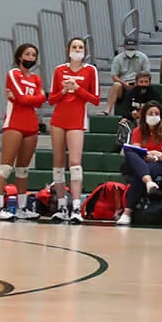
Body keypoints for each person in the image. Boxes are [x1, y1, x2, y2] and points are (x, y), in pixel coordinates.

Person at [46, 37, 100, 221]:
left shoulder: (90, 70)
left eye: (81, 47)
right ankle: (61, 206)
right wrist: (62, 91)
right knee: (58, 164)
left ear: (85, 50)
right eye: (74, 46)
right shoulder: (59, 70)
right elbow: (51, 99)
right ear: (68, 49)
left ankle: (76, 207)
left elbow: (95, 99)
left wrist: (77, 88)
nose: (77, 49)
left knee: (75, 163)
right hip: (58, 119)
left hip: (77, 120)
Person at [0, 43, 46, 220]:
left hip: (31, 125)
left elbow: (41, 100)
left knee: (23, 169)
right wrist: (28, 99)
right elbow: (27, 98)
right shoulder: (13, 73)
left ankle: (22, 208)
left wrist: (25, 99)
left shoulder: (36, 79)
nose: (31, 58)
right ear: (19, 57)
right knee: (5, 167)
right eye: (27, 54)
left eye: (33, 55)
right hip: (14, 123)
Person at [116, 99, 162, 224]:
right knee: (130, 152)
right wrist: (148, 154)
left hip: (161, 164)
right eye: (150, 113)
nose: (153, 116)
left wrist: (159, 156)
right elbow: (137, 150)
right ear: (144, 116)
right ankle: (149, 182)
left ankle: (127, 212)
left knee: (139, 175)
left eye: (156, 113)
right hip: (143, 161)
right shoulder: (137, 131)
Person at [107, 35, 150, 113]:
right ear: (124, 46)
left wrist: (138, 83)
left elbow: (146, 74)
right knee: (116, 85)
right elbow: (114, 76)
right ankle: (107, 110)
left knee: (144, 85)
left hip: (138, 83)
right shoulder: (117, 59)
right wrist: (124, 83)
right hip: (123, 84)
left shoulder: (143, 57)